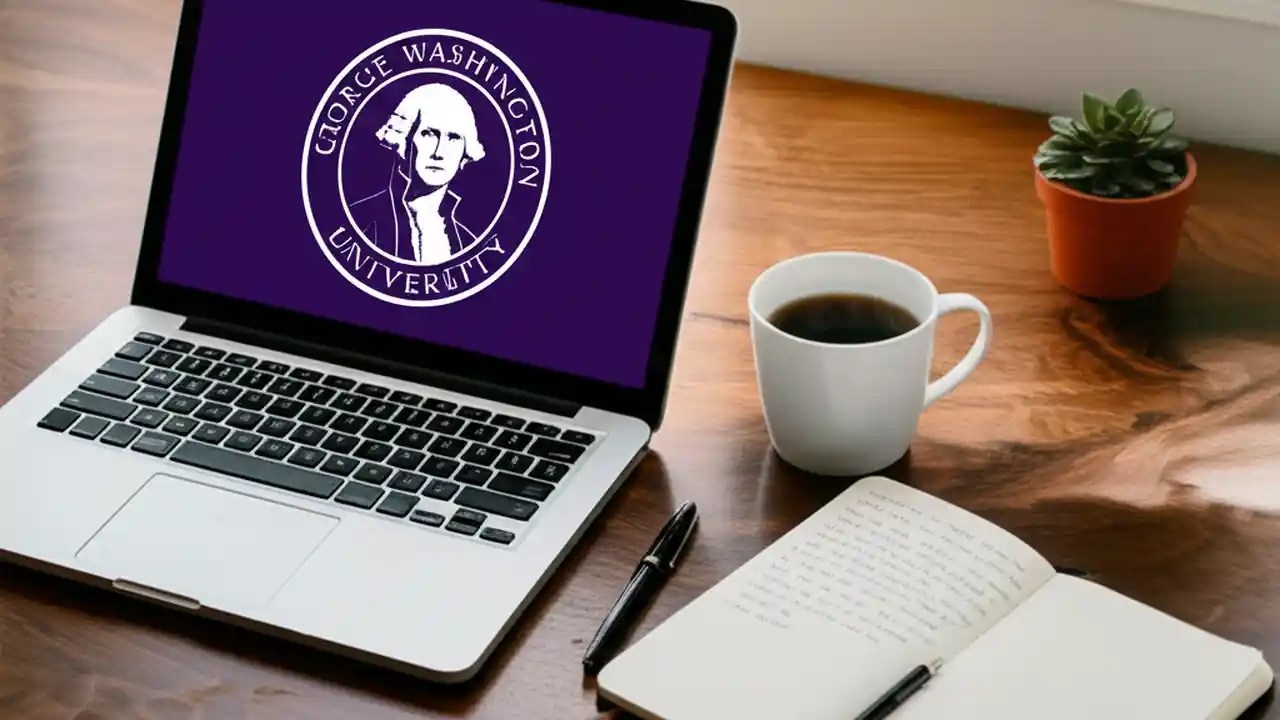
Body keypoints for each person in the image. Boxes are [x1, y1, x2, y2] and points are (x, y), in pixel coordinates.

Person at [349, 83, 487, 264]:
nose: (439, 152)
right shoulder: (361, 222)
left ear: (465, 149)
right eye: (428, 134)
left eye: (453, 138)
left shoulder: (469, 242)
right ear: (404, 139)